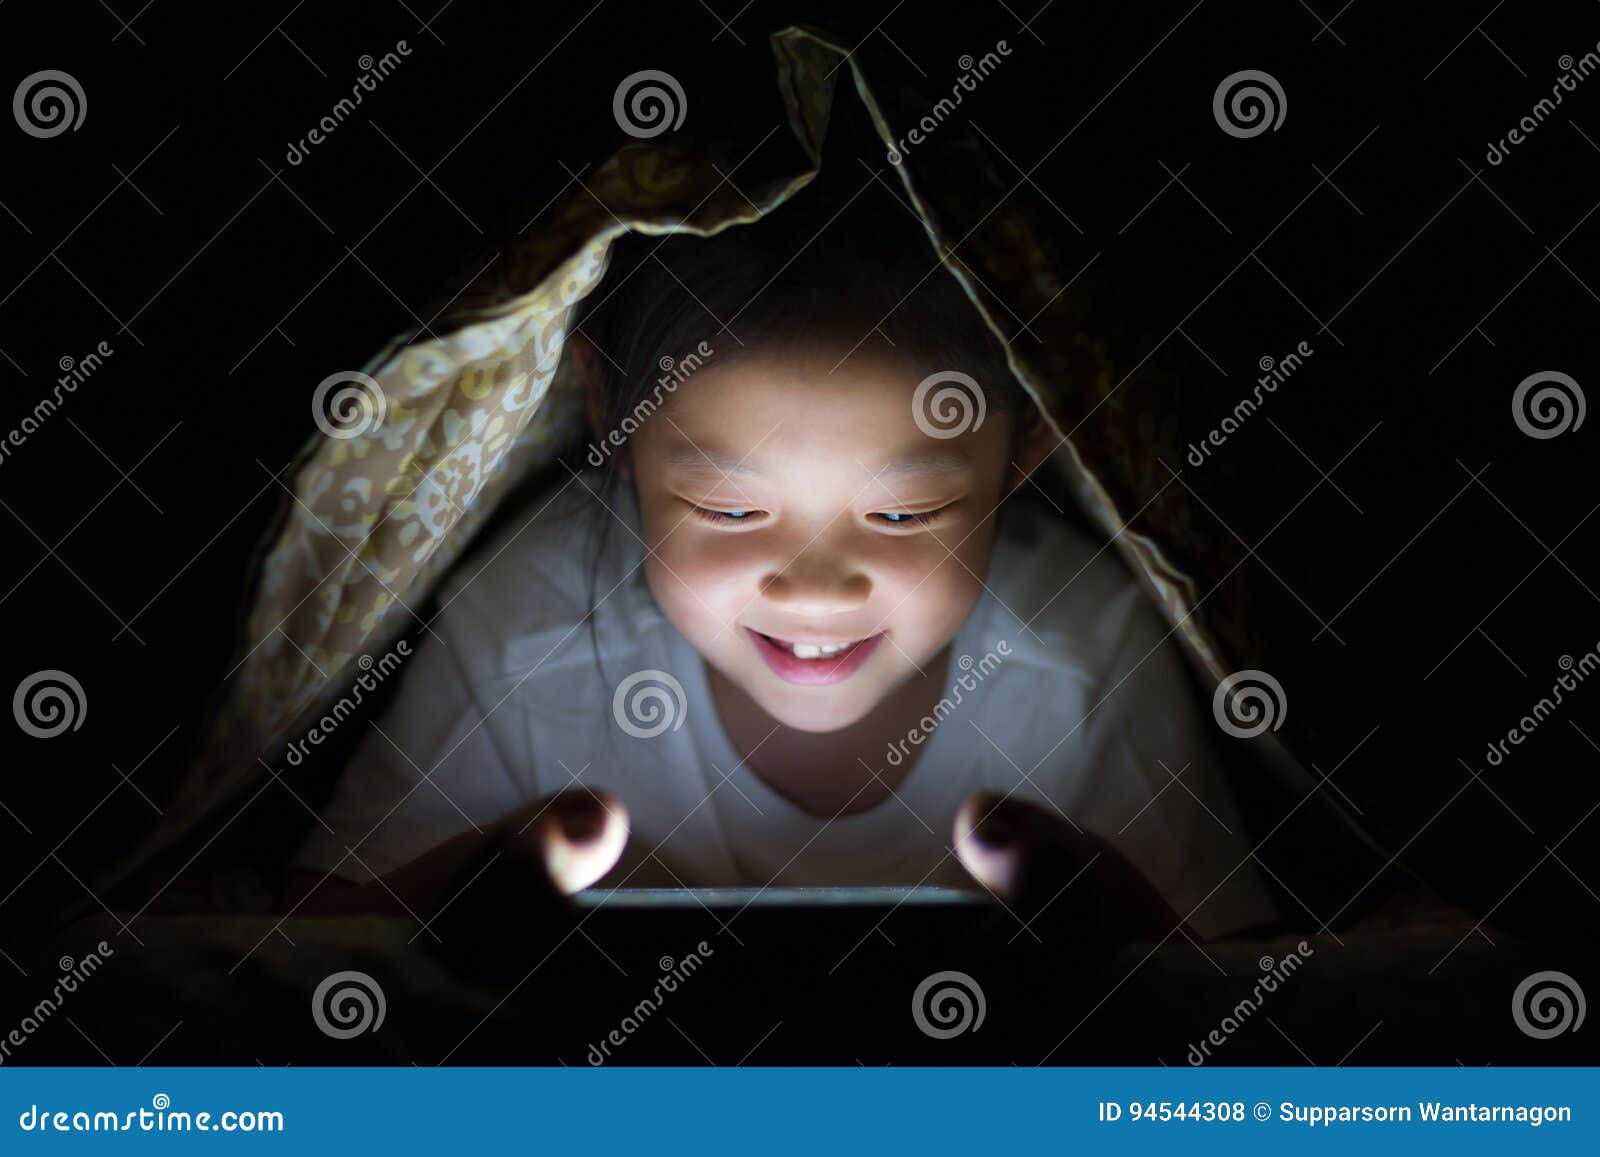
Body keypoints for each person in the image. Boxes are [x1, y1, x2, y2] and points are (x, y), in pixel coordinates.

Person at [280, 175, 1279, 950]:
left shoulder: (1081, 659)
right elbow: (308, 946)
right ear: (611, 409)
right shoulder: (526, 634)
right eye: (729, 508)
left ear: (1027, 443)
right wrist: (477, 894)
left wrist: (1107, 917)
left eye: (903, 511)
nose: (814, 586)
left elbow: (1245, 997)